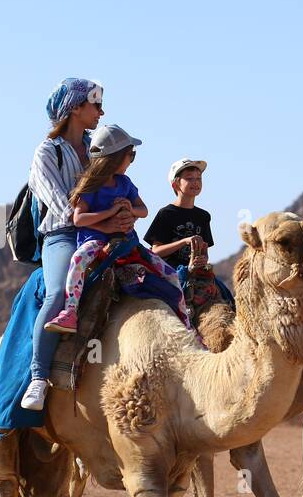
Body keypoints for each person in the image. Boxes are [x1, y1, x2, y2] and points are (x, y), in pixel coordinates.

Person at [22, 78, 134, 412]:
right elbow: (64, 210)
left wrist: (125, 215)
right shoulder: (47, 153)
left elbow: (122, 186)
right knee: (58, 292)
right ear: (75, 108)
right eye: (96, 105)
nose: (102, 111)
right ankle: (38, 378)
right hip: (64, 236)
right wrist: (109, 218)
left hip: (108, 233)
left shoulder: (99, 145)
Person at [43, 124, 184, 335]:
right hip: (96, 240)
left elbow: (143, 210)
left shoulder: (125, 183)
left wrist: (130, 208)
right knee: (79, 260)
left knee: (171, 274)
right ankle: (70, 312)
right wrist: (111, 212)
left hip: (127, 243)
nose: (131, 160)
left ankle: (185, 322)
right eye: (131, 155)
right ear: (115, 157)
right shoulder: (90, 185)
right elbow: (79, 218)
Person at [142, 158, 215, 270]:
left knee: (221, 287)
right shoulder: (166, 213)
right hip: (169, 271)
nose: (196, 182)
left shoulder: (204, 216)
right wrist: (183, 242)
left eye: (199, 178)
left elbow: (204, 251)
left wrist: (203, 258)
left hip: (194, 271)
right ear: (175, 185)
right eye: (189, 178)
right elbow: (155, 251)